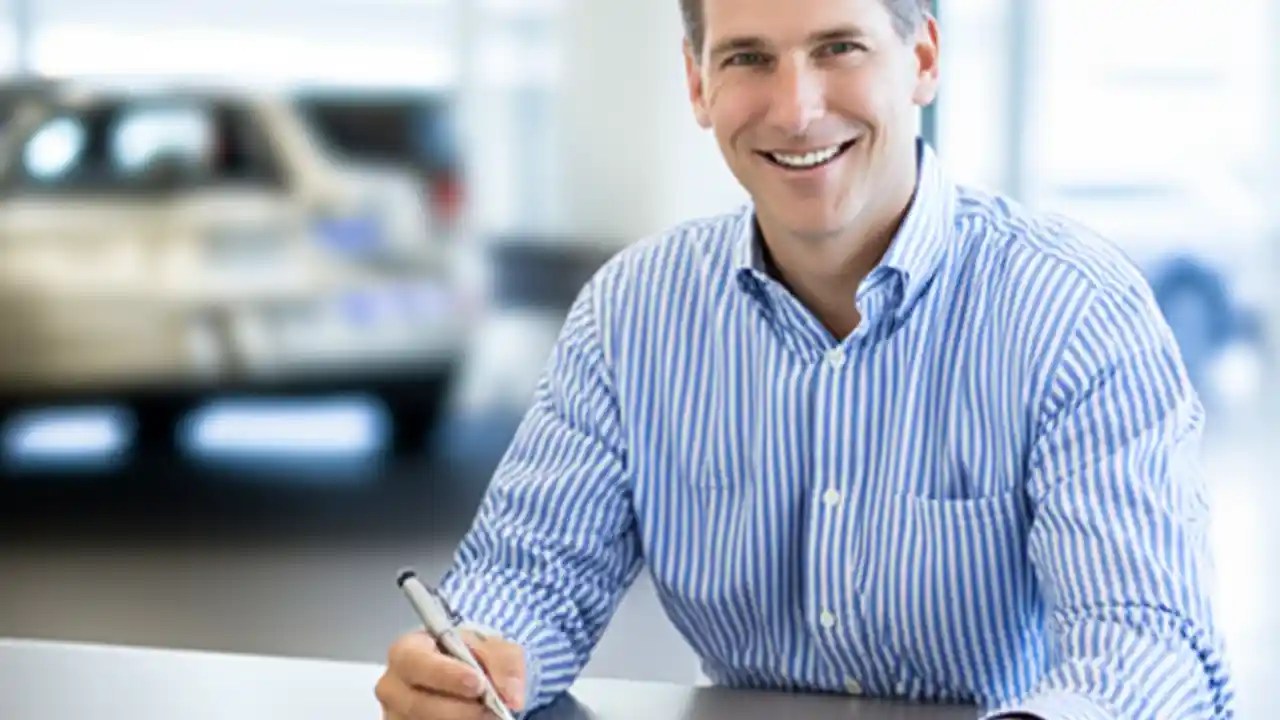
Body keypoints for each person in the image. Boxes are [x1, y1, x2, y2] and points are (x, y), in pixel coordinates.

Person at [375, 0, 1235, 717]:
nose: (795, 109)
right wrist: (469, 665)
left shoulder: (1075, 313)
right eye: (749, 58)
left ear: (923, 60)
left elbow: (1151, 649)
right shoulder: (631, 314)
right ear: (698, 83)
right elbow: (530, 577)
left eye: (839, 48)